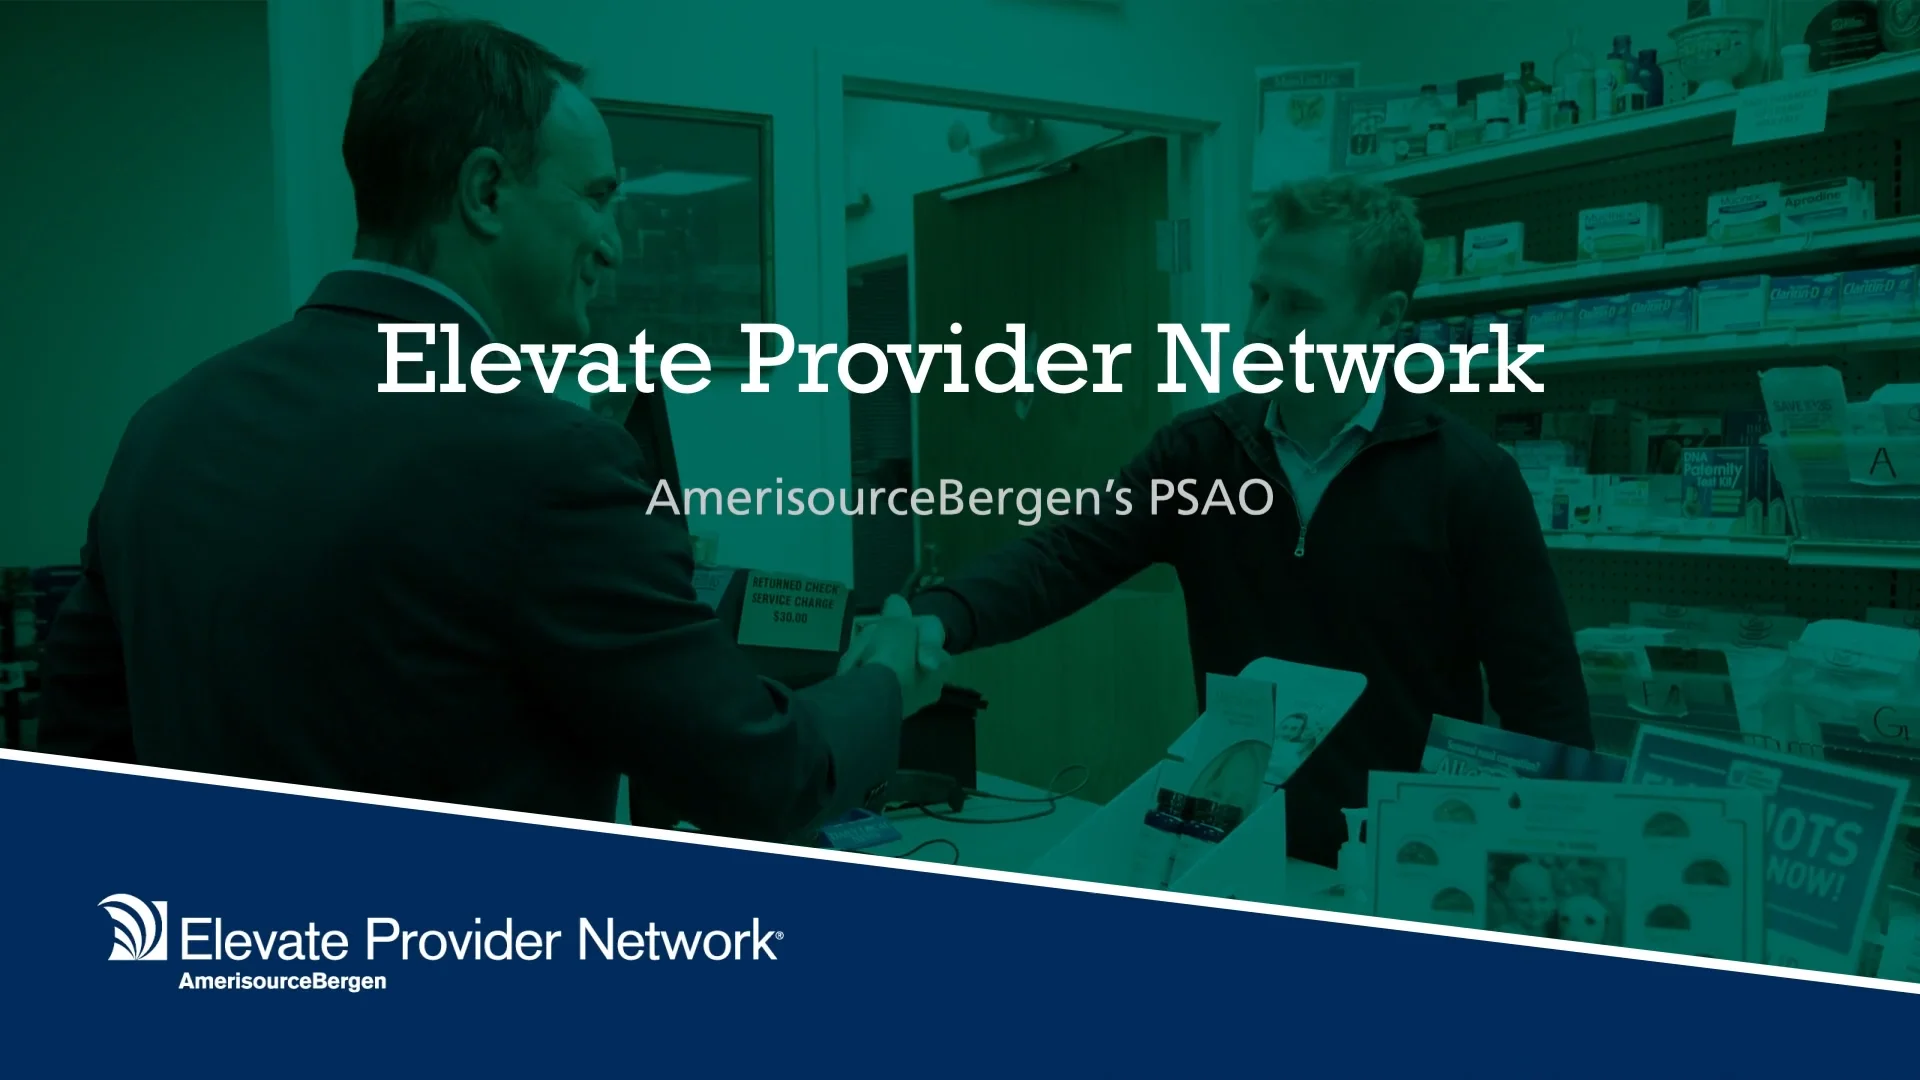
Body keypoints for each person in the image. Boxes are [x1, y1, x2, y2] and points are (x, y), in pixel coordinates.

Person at [35, 17, 943, 844]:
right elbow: (764, 780)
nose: (614, 244)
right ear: (487, 192)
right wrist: (885, 681)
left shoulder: (164, 430)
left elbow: (80, 756)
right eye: (596, 197)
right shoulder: (547, 461)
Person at [885, 173, 1591, 866]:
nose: (1261, 326)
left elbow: (1545, 704)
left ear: (1385, 318)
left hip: (1405, 864)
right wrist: (937, 618)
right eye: (1260, 294)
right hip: (1230, 847)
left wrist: (1548, 871)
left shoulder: (1469, 479)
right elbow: (1064, 555)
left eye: (1297, 304)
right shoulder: (1201, 454)